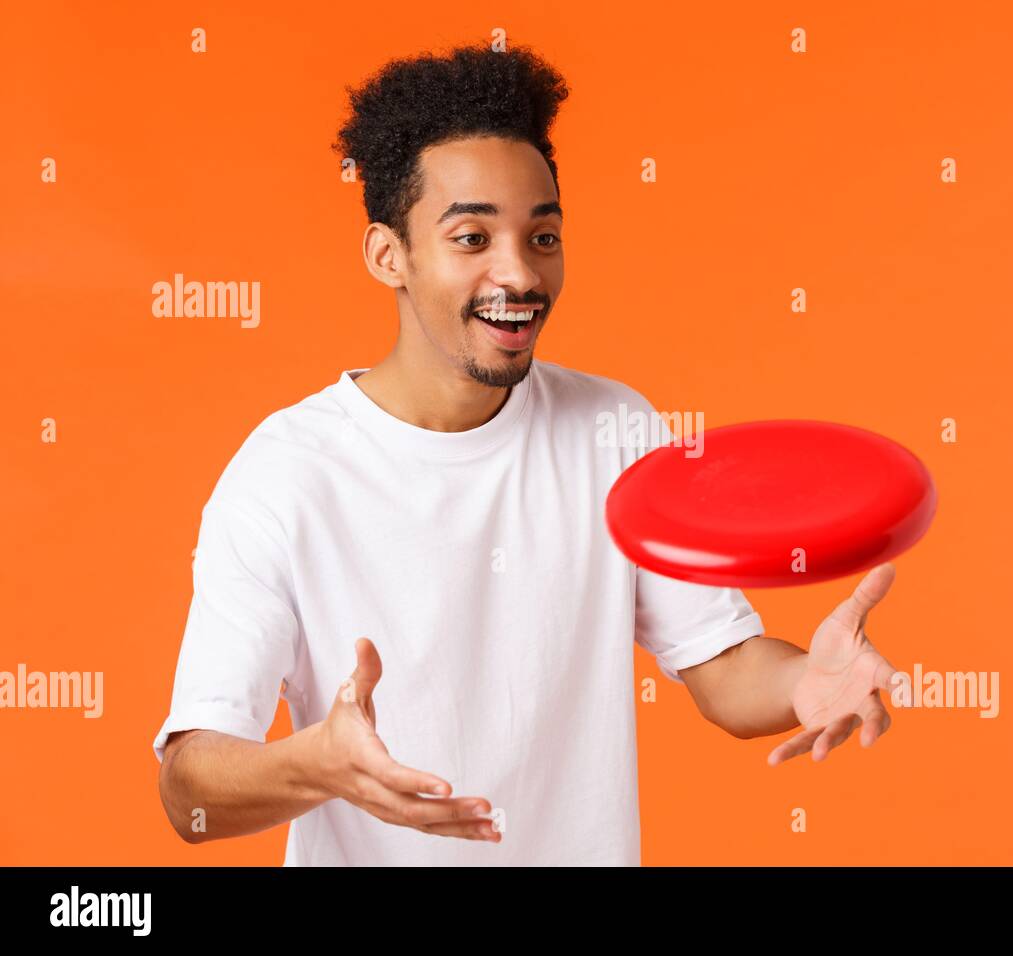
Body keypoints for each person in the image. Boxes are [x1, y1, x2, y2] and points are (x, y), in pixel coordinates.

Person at [153, 41, 903, 866]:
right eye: (471, 238)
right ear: (387, 255)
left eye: (542, 236)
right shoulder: (284, 476)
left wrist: (806, 683)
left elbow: (722, 669)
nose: (518, 273)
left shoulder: (616, 430)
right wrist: (317, 764)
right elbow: (190, 791)